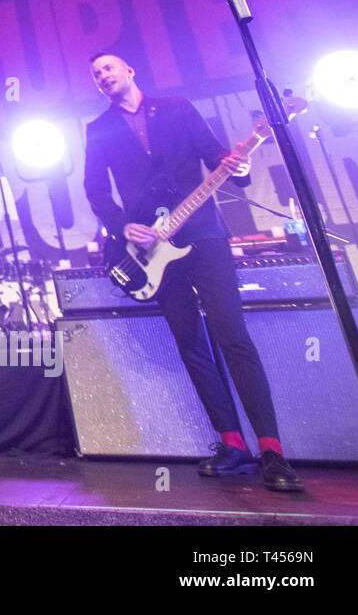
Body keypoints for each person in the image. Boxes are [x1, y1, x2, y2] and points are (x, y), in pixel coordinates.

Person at [83, 52, 303, 491]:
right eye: (95, 75)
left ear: (130, 69)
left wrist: (237, 164)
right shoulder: (98, 129)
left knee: (233, 336)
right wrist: (120, 224)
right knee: (191, 345)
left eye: (109, 68)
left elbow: (215, 153)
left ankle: (272, 450)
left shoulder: (178, 107)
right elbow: (94, 187)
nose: (103, 76)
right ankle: (232, 444)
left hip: (202, 232)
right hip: (150, 247)